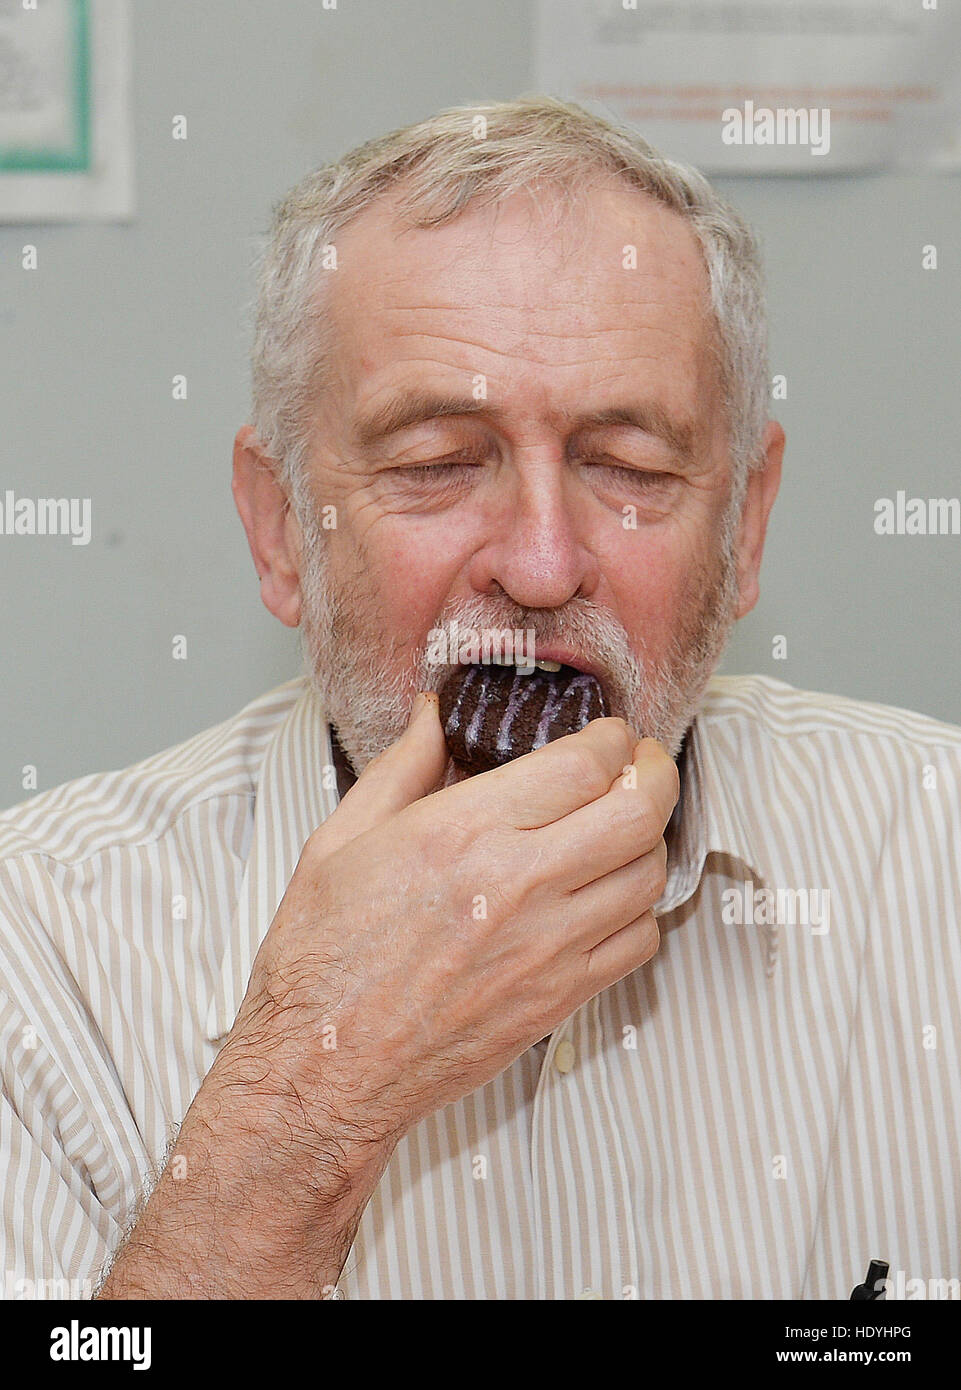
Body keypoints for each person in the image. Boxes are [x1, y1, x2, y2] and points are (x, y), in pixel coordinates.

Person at [2, 95, 959, 1302]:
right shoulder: (35, 953)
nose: (542, 562)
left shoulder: (938, 864)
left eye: (628, 465)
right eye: (437, 463)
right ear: (281, 527)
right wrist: (315, 1088)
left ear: (746, 525)